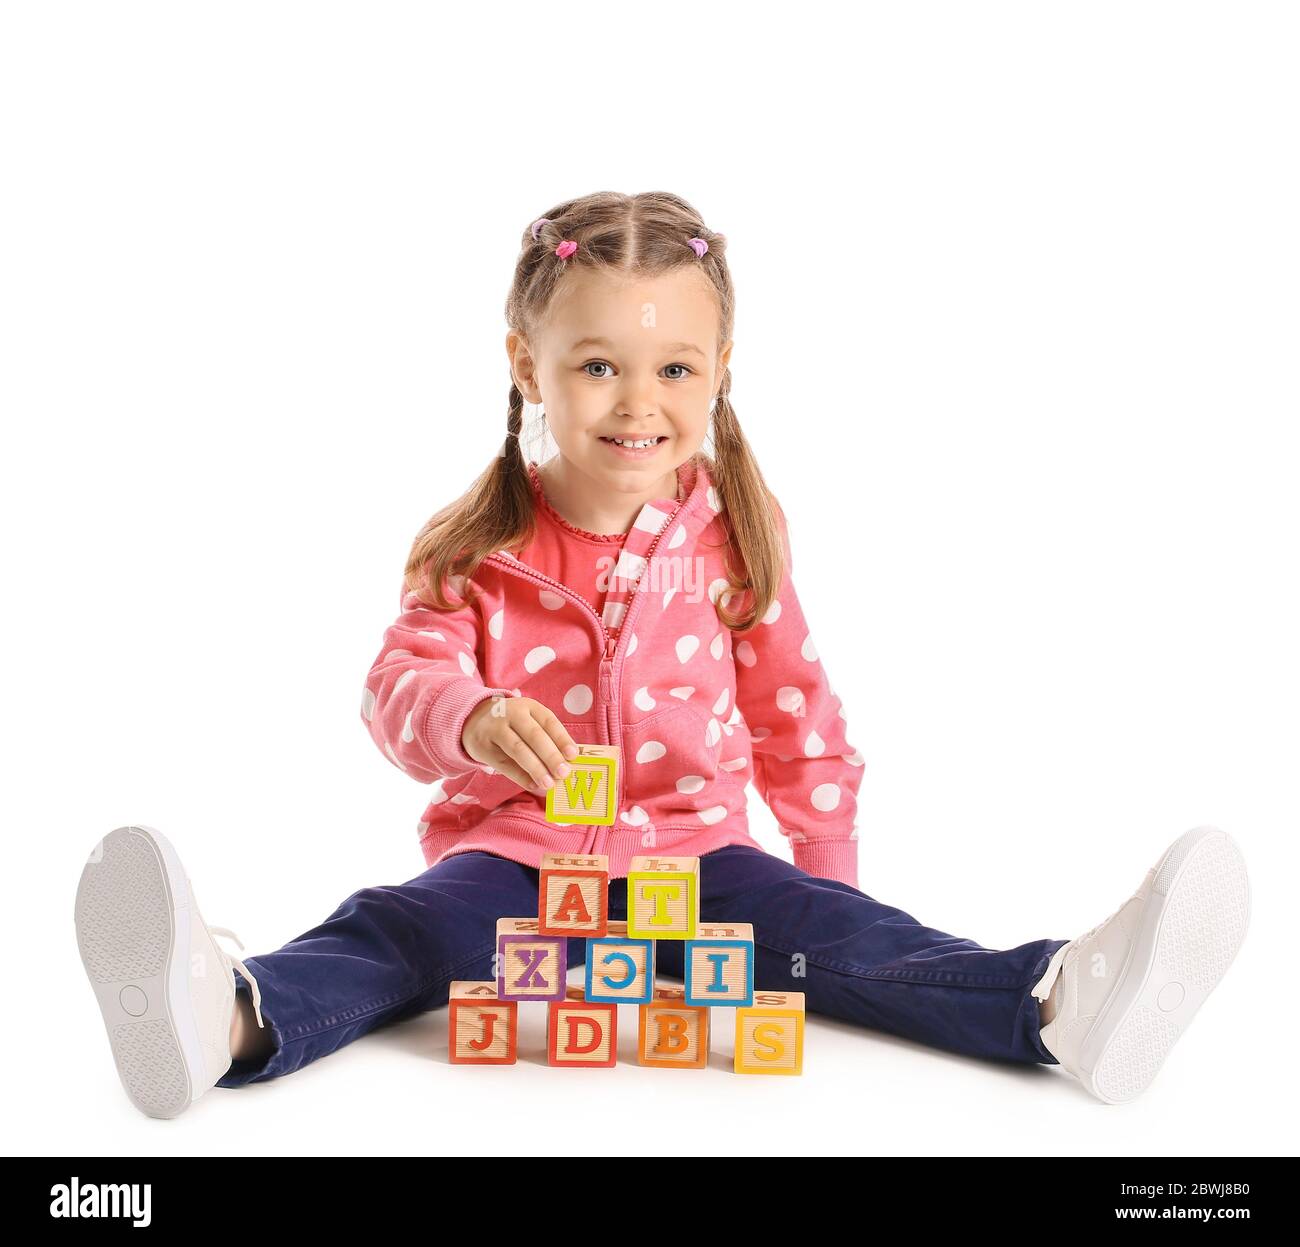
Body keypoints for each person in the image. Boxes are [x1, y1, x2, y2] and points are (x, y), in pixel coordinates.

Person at [74, 190, 1250, 1118]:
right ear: (527, 365)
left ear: (721, 367)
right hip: (516, 857)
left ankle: (1054, 1001)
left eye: (675, 367)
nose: (638, 402)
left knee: (855, 941)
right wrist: (471, 715)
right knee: (400, 925)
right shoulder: (478, 541)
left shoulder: (737, 527)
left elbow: (797, 708)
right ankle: (221, 1015)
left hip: (700, 858)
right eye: (597, 365)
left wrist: (821, 880)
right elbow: (394, 685)